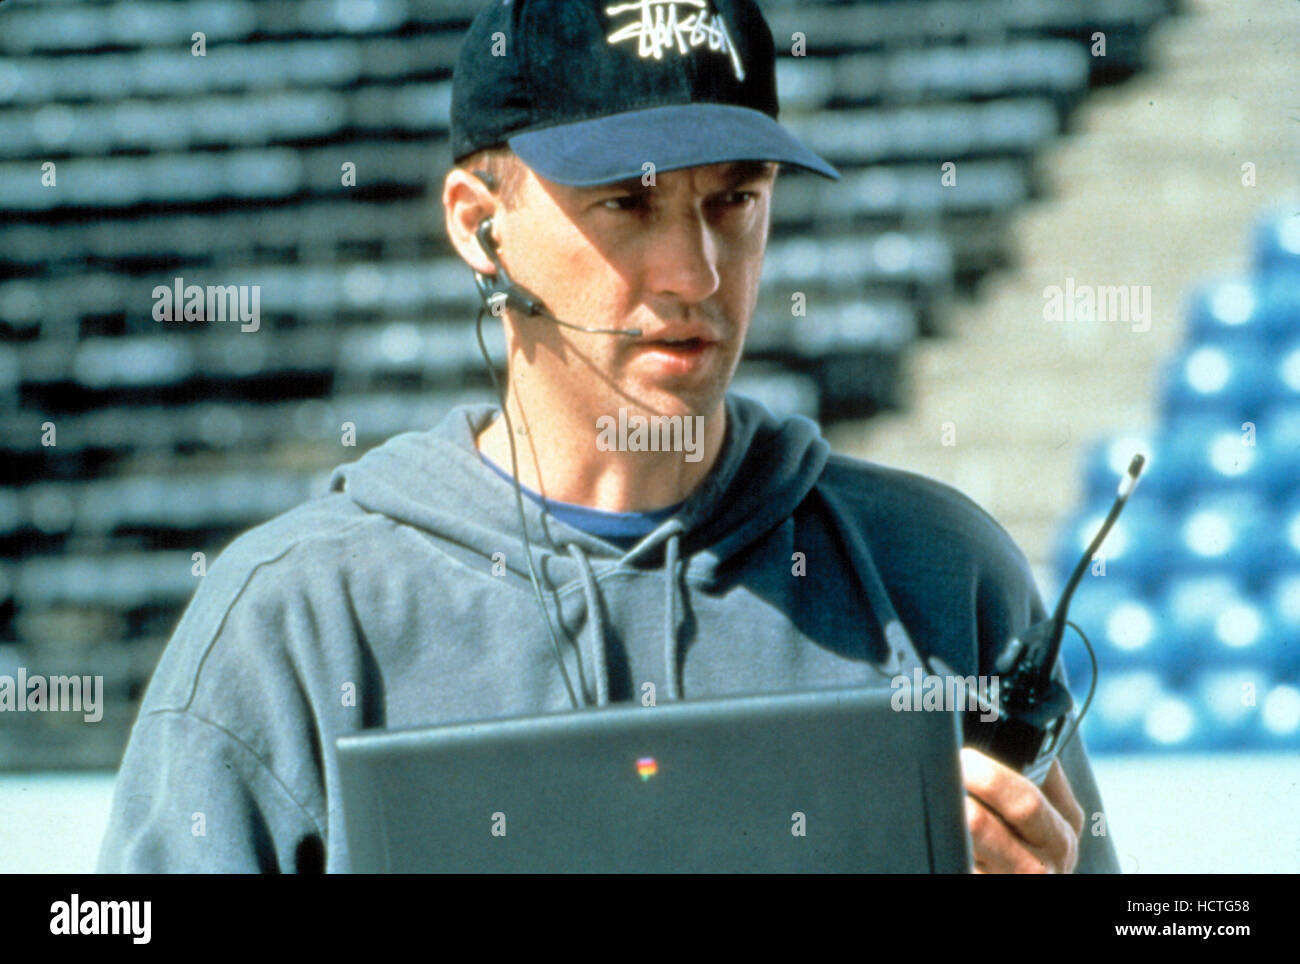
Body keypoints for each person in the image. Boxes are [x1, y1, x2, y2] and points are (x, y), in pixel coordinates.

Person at [98, 0, 1119, 874]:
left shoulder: (937, 575)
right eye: (628, 202)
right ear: (476, 222)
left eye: (734, 201)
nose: (698, 272)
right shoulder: (297, 620)